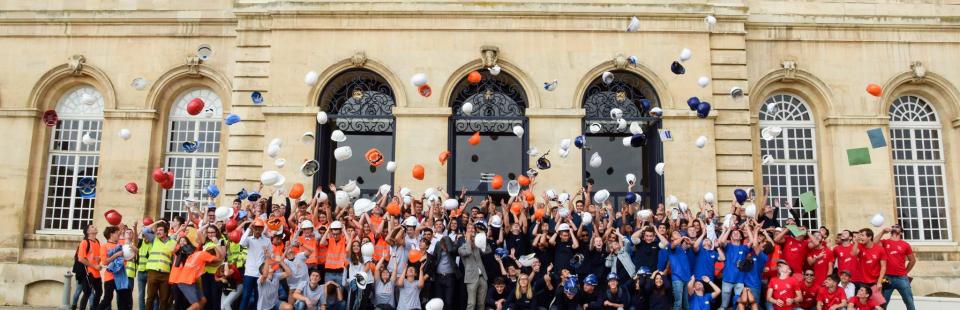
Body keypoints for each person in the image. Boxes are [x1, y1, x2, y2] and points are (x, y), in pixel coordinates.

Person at [169, 236, 224, 310]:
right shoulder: (204, 255)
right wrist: (216, 246)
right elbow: (220, 259)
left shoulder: (197, 255)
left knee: (203, 300)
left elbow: (212, 264)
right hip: (186, 282)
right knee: (196, 304)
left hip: (189, 282)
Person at [875, 225, 916, 310]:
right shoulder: (885, 242)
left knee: (909, 301)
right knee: (883, 303)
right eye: (893, 226)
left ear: (901, 232)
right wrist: (882, 232)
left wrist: (905, 272)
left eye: (897, 226)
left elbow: (912, 260)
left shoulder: (905, 245)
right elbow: (874, 243)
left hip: (902, 278)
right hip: (887, 278)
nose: (894, 227)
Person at [99, 225, 134, 310]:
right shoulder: (104, 246)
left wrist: (133, 251)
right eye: (117, 232)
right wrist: (116, 255)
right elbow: (105, 262)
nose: (119, 234)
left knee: (125, 301)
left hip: (121, 277)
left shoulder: (121, 245)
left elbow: (129, 258)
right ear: (112, 234)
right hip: (110, 277)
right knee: (107, 300)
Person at [239, 218, 271, 310]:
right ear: (253, 228)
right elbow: (241, 243)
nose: (258, 230)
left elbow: (270, 255)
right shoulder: (249, 239)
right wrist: (249, 228)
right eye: (256, 228)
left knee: (259, 298)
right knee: (245, 297)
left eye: (260, 228)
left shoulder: (267, 240)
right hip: (249, 273)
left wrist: (267, 255)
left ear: (262, 229)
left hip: (260, 274)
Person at [145, 221, 176, 310]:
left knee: (164, 299)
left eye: (161, 230)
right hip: (152, 273)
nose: (158, 232)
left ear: (166, 232)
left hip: (165, 274)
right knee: (150, 298)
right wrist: (157, 222)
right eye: (157, 230)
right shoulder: (154, 239)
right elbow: (145, 230)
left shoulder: (172, 242)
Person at [460, 222, 492, 310]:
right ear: (465, 233)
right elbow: (468, 251)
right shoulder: (461, 248)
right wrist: (468, 239)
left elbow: (488, 251)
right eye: (469, 229)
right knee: (471, 304)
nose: (471, 231)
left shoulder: (478, 246)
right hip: (471, 278)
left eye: (472, 229)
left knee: (481, 303)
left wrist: (484, 238)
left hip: (482, 277)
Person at [75, 224, 101, 310]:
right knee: (87, 293)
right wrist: (94, 266)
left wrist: (99, 260)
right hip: (88, 273)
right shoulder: (84, 242)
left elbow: (97, 257)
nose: (95, 227)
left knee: (99, 292)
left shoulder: (97, 241)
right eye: (92, 227)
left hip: (97, 272)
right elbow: (81, 259)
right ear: (88, 232)